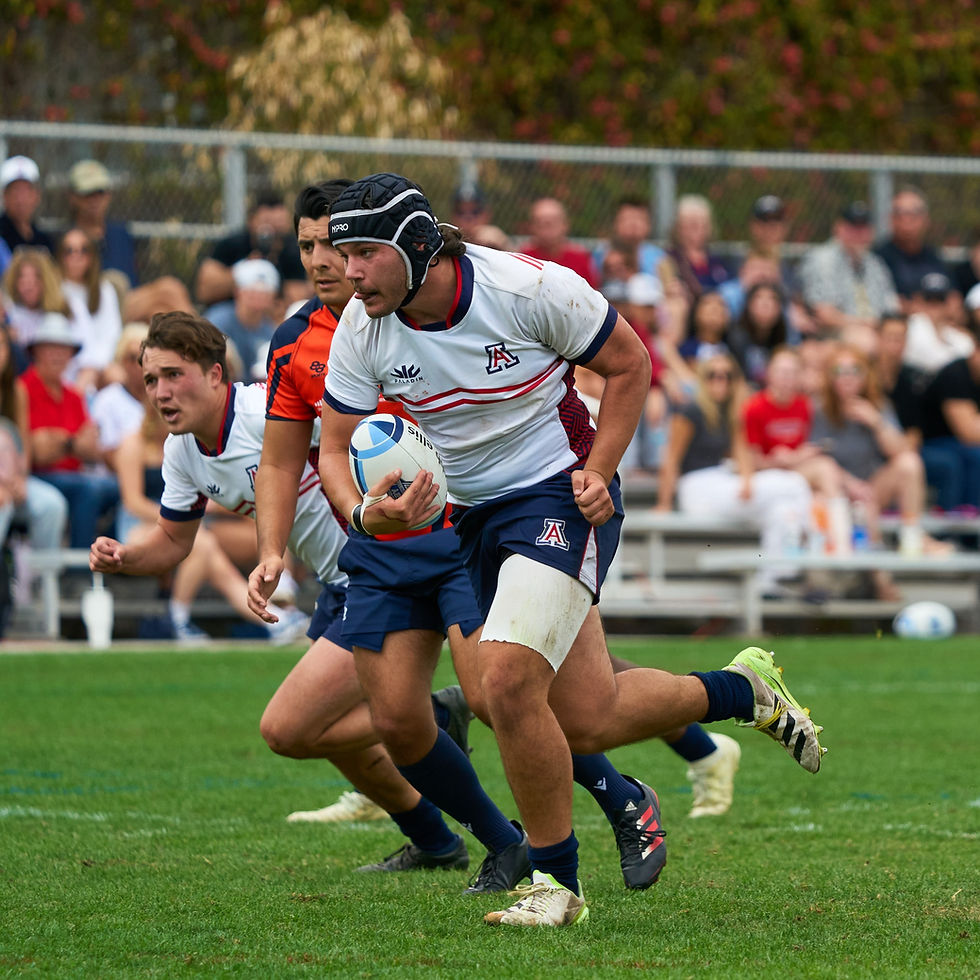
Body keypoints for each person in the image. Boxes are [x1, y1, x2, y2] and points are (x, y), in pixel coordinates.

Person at [320, 173, 825, 927]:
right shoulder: (362, 327)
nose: (348, 272)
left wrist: (603, 469)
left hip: (560, 491)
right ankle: (744, 691)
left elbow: (631, 364)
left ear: (418, 245)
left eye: (365, 252)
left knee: (508, 684)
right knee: (588, 717)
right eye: (341, 253)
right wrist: (365, 515)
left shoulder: (526, 288)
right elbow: (333, 448)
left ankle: (556, 884)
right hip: (473, 515)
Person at [88, 311, 477, 871]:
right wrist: (125, 558)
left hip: (382, 574)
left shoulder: (267, 409)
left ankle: (434, 719)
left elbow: (364, 436)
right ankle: (437, 843)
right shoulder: (182, 452)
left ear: (216, 374)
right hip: (338, 586)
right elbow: (173, 542)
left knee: (291, 728)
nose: (161, 392)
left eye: (174, 375)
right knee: (340, 744)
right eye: (150, 380)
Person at [248, 179, 532, 888]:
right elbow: (292, 458)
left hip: (462, 532)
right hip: (379, 552)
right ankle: (471, 839)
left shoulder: (439, 311)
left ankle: (625, 792)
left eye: (344, 247)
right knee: (324, 726)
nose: (329, 262)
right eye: (311, 246)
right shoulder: (295, 343)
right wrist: (274, 550)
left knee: (514, 696)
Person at [656, 350, 812, 596]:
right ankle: (811, 542)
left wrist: (748, 481)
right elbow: (671, 459)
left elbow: (743, 454)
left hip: (722, 482)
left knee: (782, 511)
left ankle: (770, 581)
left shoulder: (730, 412)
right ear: (702, 379)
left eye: (727, 376)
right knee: (794, 484)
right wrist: (664, 504)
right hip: (697, 488)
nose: (721, 382)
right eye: (713, 376)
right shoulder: (691, 410)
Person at [810, 343, 948, 565]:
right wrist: (850, 484)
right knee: (852, 505)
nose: (847, 377)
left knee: (909, 463)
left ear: (865, 375)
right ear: (829, 376)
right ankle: (875, 578)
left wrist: (877, 422)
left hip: (873, 488)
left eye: (854, 370)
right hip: (836, 490)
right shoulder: (818, 410)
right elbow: (815, 458)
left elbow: (902, 451)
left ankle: (912, 535)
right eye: (839, 371)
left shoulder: (879, 406)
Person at [21, 313, 119, 549]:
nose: (57, 355)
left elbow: (92, 449)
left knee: (120, 487)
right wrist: (74, 445)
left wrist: (59, 442)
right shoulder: (23, 389)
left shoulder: (74, 396)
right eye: (50, 348)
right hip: (36, 476)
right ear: (36, 352)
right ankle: (80, 570)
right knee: (89, 489)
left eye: (63, 349)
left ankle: (115, 560)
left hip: (71, 474)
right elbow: (35, 452)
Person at [65, 159, 194, 324]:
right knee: (169, 288)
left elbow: (132, 282)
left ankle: (196, 342)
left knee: (159, 312)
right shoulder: (69, 240)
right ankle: (204, 341)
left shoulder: (120, 233)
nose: (95, 200)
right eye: (87, 194)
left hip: (129, 304)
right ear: (73, 197)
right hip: (96, 308)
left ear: (108, 195)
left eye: (100, 192)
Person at [0, 323, 68, 567]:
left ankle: (42, 586)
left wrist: (19, 479)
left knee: (51, 504)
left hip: (12, 478)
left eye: (1, 345)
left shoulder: (16, 391)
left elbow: (23, 443)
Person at [797, 201, 899, 351]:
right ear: (838, 227)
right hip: (832, 334)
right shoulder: (822, 260)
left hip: (875, 328)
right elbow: (825, 315)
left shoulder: (875, 263)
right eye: (853, 226)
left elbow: (892, 306)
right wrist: (866, 324)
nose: (859, 232)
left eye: (863, 226)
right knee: (867, 341)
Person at [194, 192, 310, 309]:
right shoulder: (233, 244)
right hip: (233, 310)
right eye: (266, 222)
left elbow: (297, 298)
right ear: (252, 221)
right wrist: (245, 270)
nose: (272, 231)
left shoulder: (293, 250)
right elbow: (205, 290)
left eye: (278, 223)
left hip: (274, 314)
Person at [918, 320, 980, 512]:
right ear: (975, 351)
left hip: (956, 443)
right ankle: (959, 524)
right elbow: (969, 434)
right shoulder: (955, 375)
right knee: (972, 457)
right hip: (931, 442)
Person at [56, 227, 123, 393]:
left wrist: (94, 367)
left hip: (101, 366)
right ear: (61, 256)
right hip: (67, 365)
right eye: (69, 251)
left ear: (91, 256)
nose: (76, 256)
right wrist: (85, 367)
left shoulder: (104, 290)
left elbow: (112, 335)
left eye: (83, 250)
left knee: (119, 376)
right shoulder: (55, 290)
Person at [874, 186, 950, 307]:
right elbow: (885, 305)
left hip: (938, 322)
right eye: (899, 214)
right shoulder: (878, 258)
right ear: (891, 219)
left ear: (926, 219)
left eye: (914, 214)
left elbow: (954, 299)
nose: (906, 220)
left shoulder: (933, 256)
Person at [205, 258, 281, 379]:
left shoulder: (270, 331)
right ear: (238, 291)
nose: (258, 296)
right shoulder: (218, 319)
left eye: (265, 292)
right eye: (252, 291)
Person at [1, 247, 75, 351]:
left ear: (47, 281)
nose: (29, 284)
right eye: (22, 277)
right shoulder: (7, 315)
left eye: (36, 277)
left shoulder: (60, 315)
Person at [903, 272, 974, 376]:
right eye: (929, 300)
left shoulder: (953, 333)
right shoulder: (914, 323)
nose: (935, 306)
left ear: (947, 303)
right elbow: (932, 361)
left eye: (940, 300)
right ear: (920, 301)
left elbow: (969, 350)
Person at [666, 194, 733, 302]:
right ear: (678, 227)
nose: (698, 228)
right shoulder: (670, 258)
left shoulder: (716, 261)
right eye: (692, 223)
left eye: (703, 223)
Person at [520, 197, 599, 288]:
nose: (546, 228)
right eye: (540, 223)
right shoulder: (524, 259)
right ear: (531, 226)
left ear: (565, 225)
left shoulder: (580, 258)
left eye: (552, 222)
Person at [726, 281, 792, 389]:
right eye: (759, 298)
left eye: (773, 298)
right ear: (749, 305)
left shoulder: (782, 336)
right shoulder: (735, 336)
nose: (766, 303)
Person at [0, 157, 55, 256]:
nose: (20, 200)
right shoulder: (2, 237)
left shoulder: (43, 241)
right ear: (4, 196)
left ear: (37, 195)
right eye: (15, 191)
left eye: (26, 191)